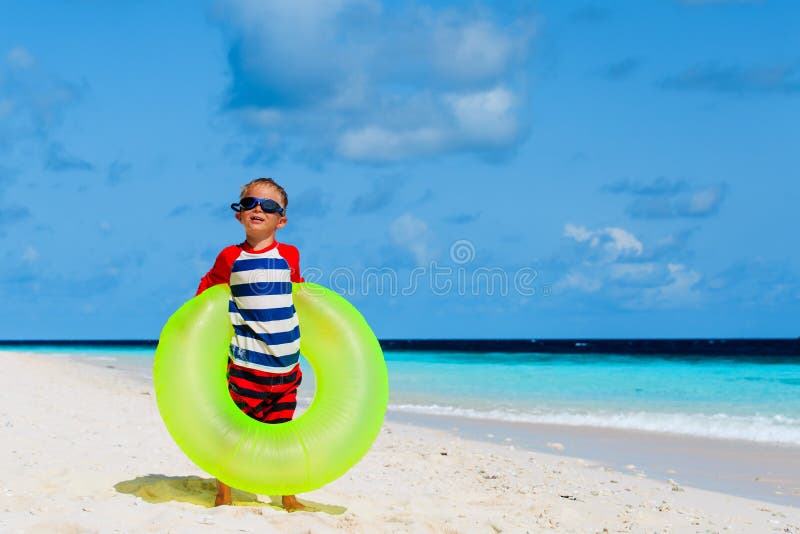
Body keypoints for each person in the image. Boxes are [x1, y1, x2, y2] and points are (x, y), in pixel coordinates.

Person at [196, 177, 306, 512]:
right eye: (250, 204)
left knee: (282, 434)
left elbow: (298, 295)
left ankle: (288, 495)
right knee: (233, 433)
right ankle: (223, 493)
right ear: (238, 215)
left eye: (268, 206)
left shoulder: (290, 254)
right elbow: (208, 289)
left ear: (281, 220)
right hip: (247, 365)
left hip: (287, 368)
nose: (258, 209)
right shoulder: (230, 257)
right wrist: (194, 330)